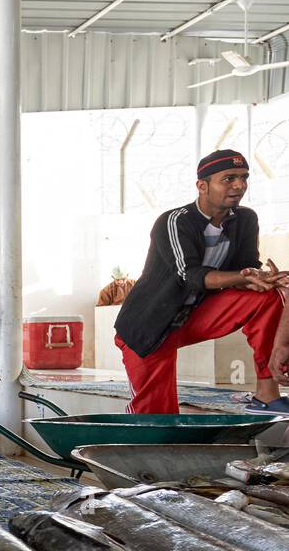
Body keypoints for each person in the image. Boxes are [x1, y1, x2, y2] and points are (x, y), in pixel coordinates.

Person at [115, 149, 289, 415]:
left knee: (267, 297)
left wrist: (261, 278)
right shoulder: (174, 221)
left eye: (244, 178)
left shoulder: (245, 219)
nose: (239, 185)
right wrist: (245, 276)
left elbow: (245, 265)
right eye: (229, 178)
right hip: (150, 327)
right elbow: (191, 275)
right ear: (202, 186)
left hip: (195, 317)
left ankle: (266, 395)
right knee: (156, 418)